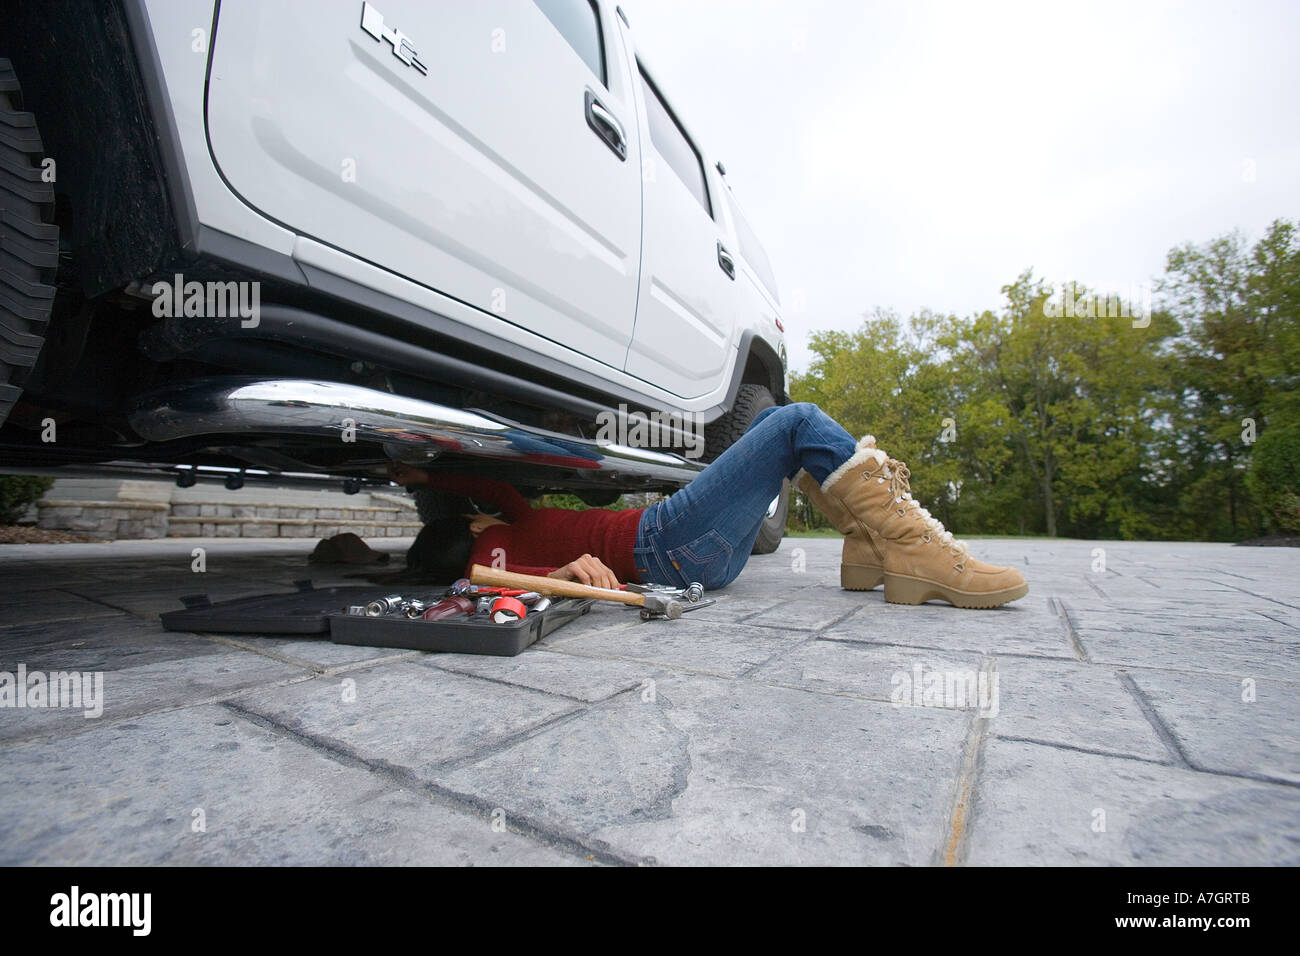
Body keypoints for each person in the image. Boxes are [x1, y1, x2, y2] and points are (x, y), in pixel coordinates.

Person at [388, 402, 1028, 608]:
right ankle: (911, 549)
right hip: (668, 542)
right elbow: (500, 495)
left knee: (783, 427)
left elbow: (505, 587)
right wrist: (428, 475)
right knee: (792, 423)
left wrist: (554, 577)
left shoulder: (486, 566)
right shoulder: (501, 537)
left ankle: (868, 550)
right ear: (470, 527)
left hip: (690, 557)